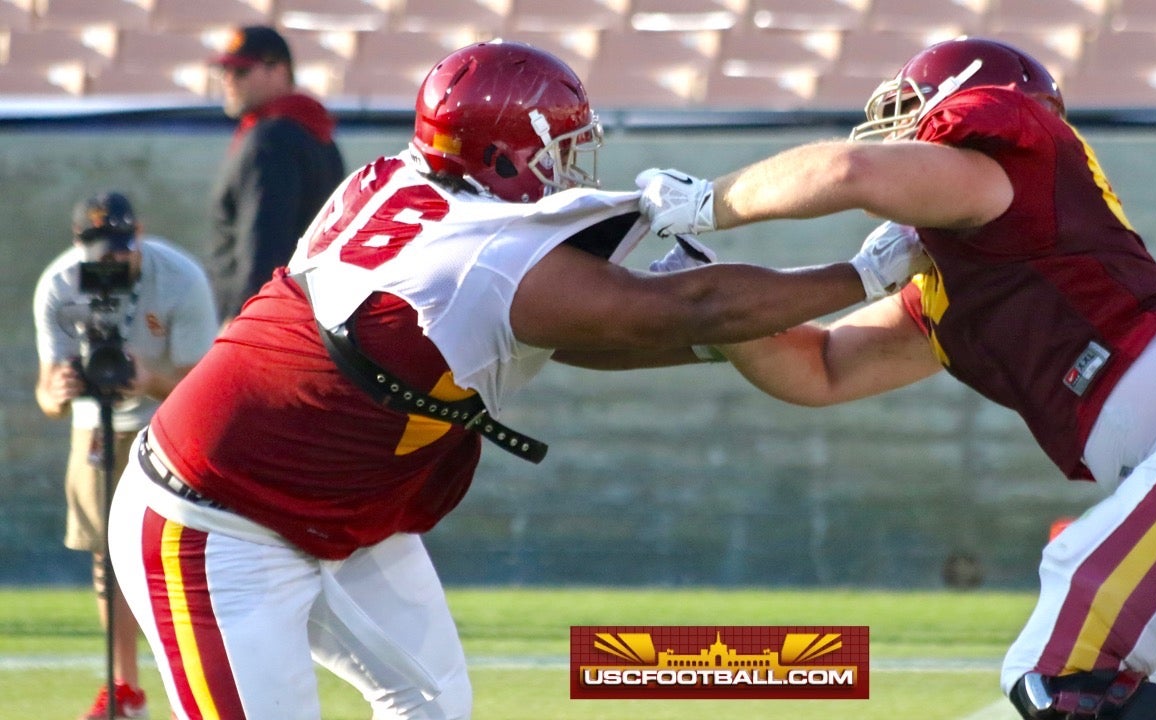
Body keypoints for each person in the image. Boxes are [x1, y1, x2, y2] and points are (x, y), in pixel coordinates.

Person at [105, 40, 899, 720]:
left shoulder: (399, 181)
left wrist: (707, 337)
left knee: (435, 702)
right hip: (212, 521)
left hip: (339, 508)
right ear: (498, 156)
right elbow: (688, 303)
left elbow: (560, 334)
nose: (568, 166)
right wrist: (865, 274)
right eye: (558, 147)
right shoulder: (476, 260)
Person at [635, 36, 1156, 720]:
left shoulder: (1012, 152)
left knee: (1057, 679)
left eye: (909, 117)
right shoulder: (971, 279)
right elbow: (821, 368)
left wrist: (709, 200)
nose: (897, 138)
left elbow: (852, 167)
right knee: (1155, 703)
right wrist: (720, 306)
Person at [33, 191, 219, 719]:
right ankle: (125, 689)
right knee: (106, 557)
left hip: (170, 421)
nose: (114, 260)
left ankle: (200, 679)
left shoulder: (179, 278)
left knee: (180, 553)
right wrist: (58, 393)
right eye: (101, 251)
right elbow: (47, 390)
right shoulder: (59, 284)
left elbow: (204, 385)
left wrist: (148, 378)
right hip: (96, 427)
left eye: (122, 246)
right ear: (79, 246)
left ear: (139, 235)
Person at [207, 24, 345, 323]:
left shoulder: (270, 139)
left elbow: (261, 241)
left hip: (267, 318)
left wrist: (241, 321)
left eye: (241, 72)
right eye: (226, 72)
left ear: (279, 70)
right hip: (311, 315)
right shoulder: (318, 133)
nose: (229, 81)